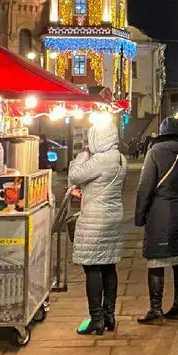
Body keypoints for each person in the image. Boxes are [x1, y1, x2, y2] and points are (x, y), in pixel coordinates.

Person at [134, 117, 178, 324]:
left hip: (160, 213)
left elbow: (145, 188)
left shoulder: (154, 153)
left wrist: (140, 216)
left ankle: (156, 309)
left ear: (162, 134)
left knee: (156, 259)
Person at [67, 117, 127, 335]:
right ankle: (110, 315)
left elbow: (74, 176)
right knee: (109, 265)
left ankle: (96, 319)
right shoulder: (120, 159)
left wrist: (83, 153)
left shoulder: (100, 159)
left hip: (95, 218)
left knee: (92, 266)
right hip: (113, 216)